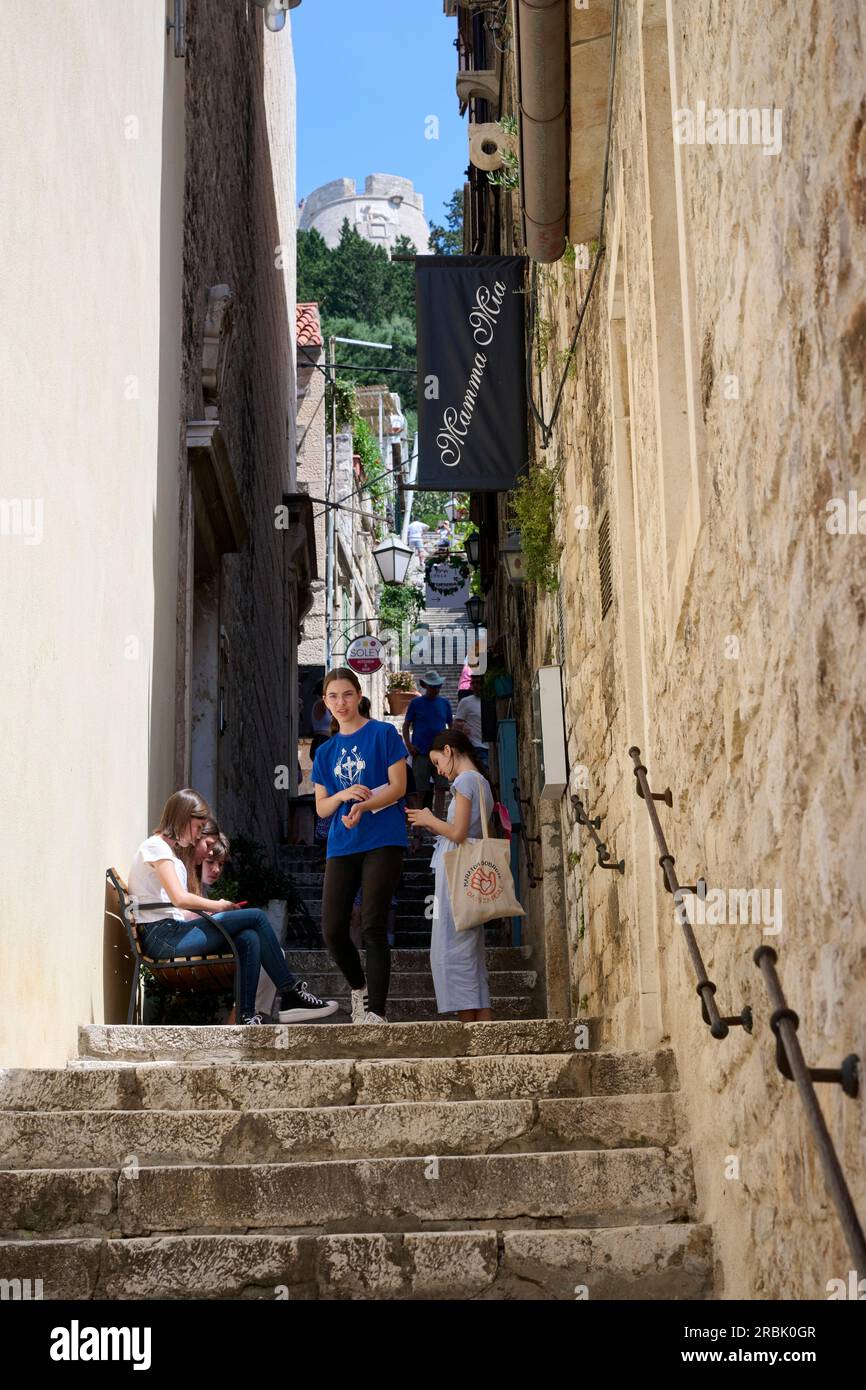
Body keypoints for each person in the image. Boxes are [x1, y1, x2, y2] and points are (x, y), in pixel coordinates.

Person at [128, 789, 337, 1026]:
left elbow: (174, 904)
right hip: (163, 937)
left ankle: (246, 1016)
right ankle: (290, 993)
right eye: (197, 828)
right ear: (183, 818)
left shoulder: (165, 851)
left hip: (170, 933)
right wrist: (219, 906)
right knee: (256, 917)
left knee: (248, 938)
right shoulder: (156, 847)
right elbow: (179, 898)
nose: (197, 835)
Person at [312, 668, 408, 1024]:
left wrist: (363, 805)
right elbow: (322, 807)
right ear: (325, 702)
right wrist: (342, 796)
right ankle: (359, 989)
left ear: (359, 695)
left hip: (383, 837)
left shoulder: (383, 733)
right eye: (333, 697)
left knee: (372, 923)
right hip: (342, 843)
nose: (341, 703)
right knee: (333, 929)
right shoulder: (325, 751)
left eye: (347, 694)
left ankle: (377, 1012)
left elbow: (398, 786)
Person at [405, 729, 493, 1023]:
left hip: (458, 875)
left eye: (437, 763)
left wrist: (430, 820)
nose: (439, 772)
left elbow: (457, 833)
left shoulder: (466, 781)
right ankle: (481, 1028)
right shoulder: (479, 782)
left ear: (448, 750)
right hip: (466, 874)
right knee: (467, 953)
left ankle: (471, 1029)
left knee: (455, 952)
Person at [402, 670, 452, 823]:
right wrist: (409, 745)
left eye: (438, 686)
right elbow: (406, 725)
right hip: (421, 753)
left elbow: (451, 725)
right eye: (432, 686)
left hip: (440, 754)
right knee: (419, 791)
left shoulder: (445, 703)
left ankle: (438, 823)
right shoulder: (416, 703)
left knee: (441, 789)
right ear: (426, 686)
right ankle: (417, 829)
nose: (436, 689)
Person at [453, 673, 489, 773]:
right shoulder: (466, 702)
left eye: (478, 683)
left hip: (493, 747)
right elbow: (456, 724)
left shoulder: (490, 700)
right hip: (477, 748)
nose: (475, 686)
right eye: (473, 683)